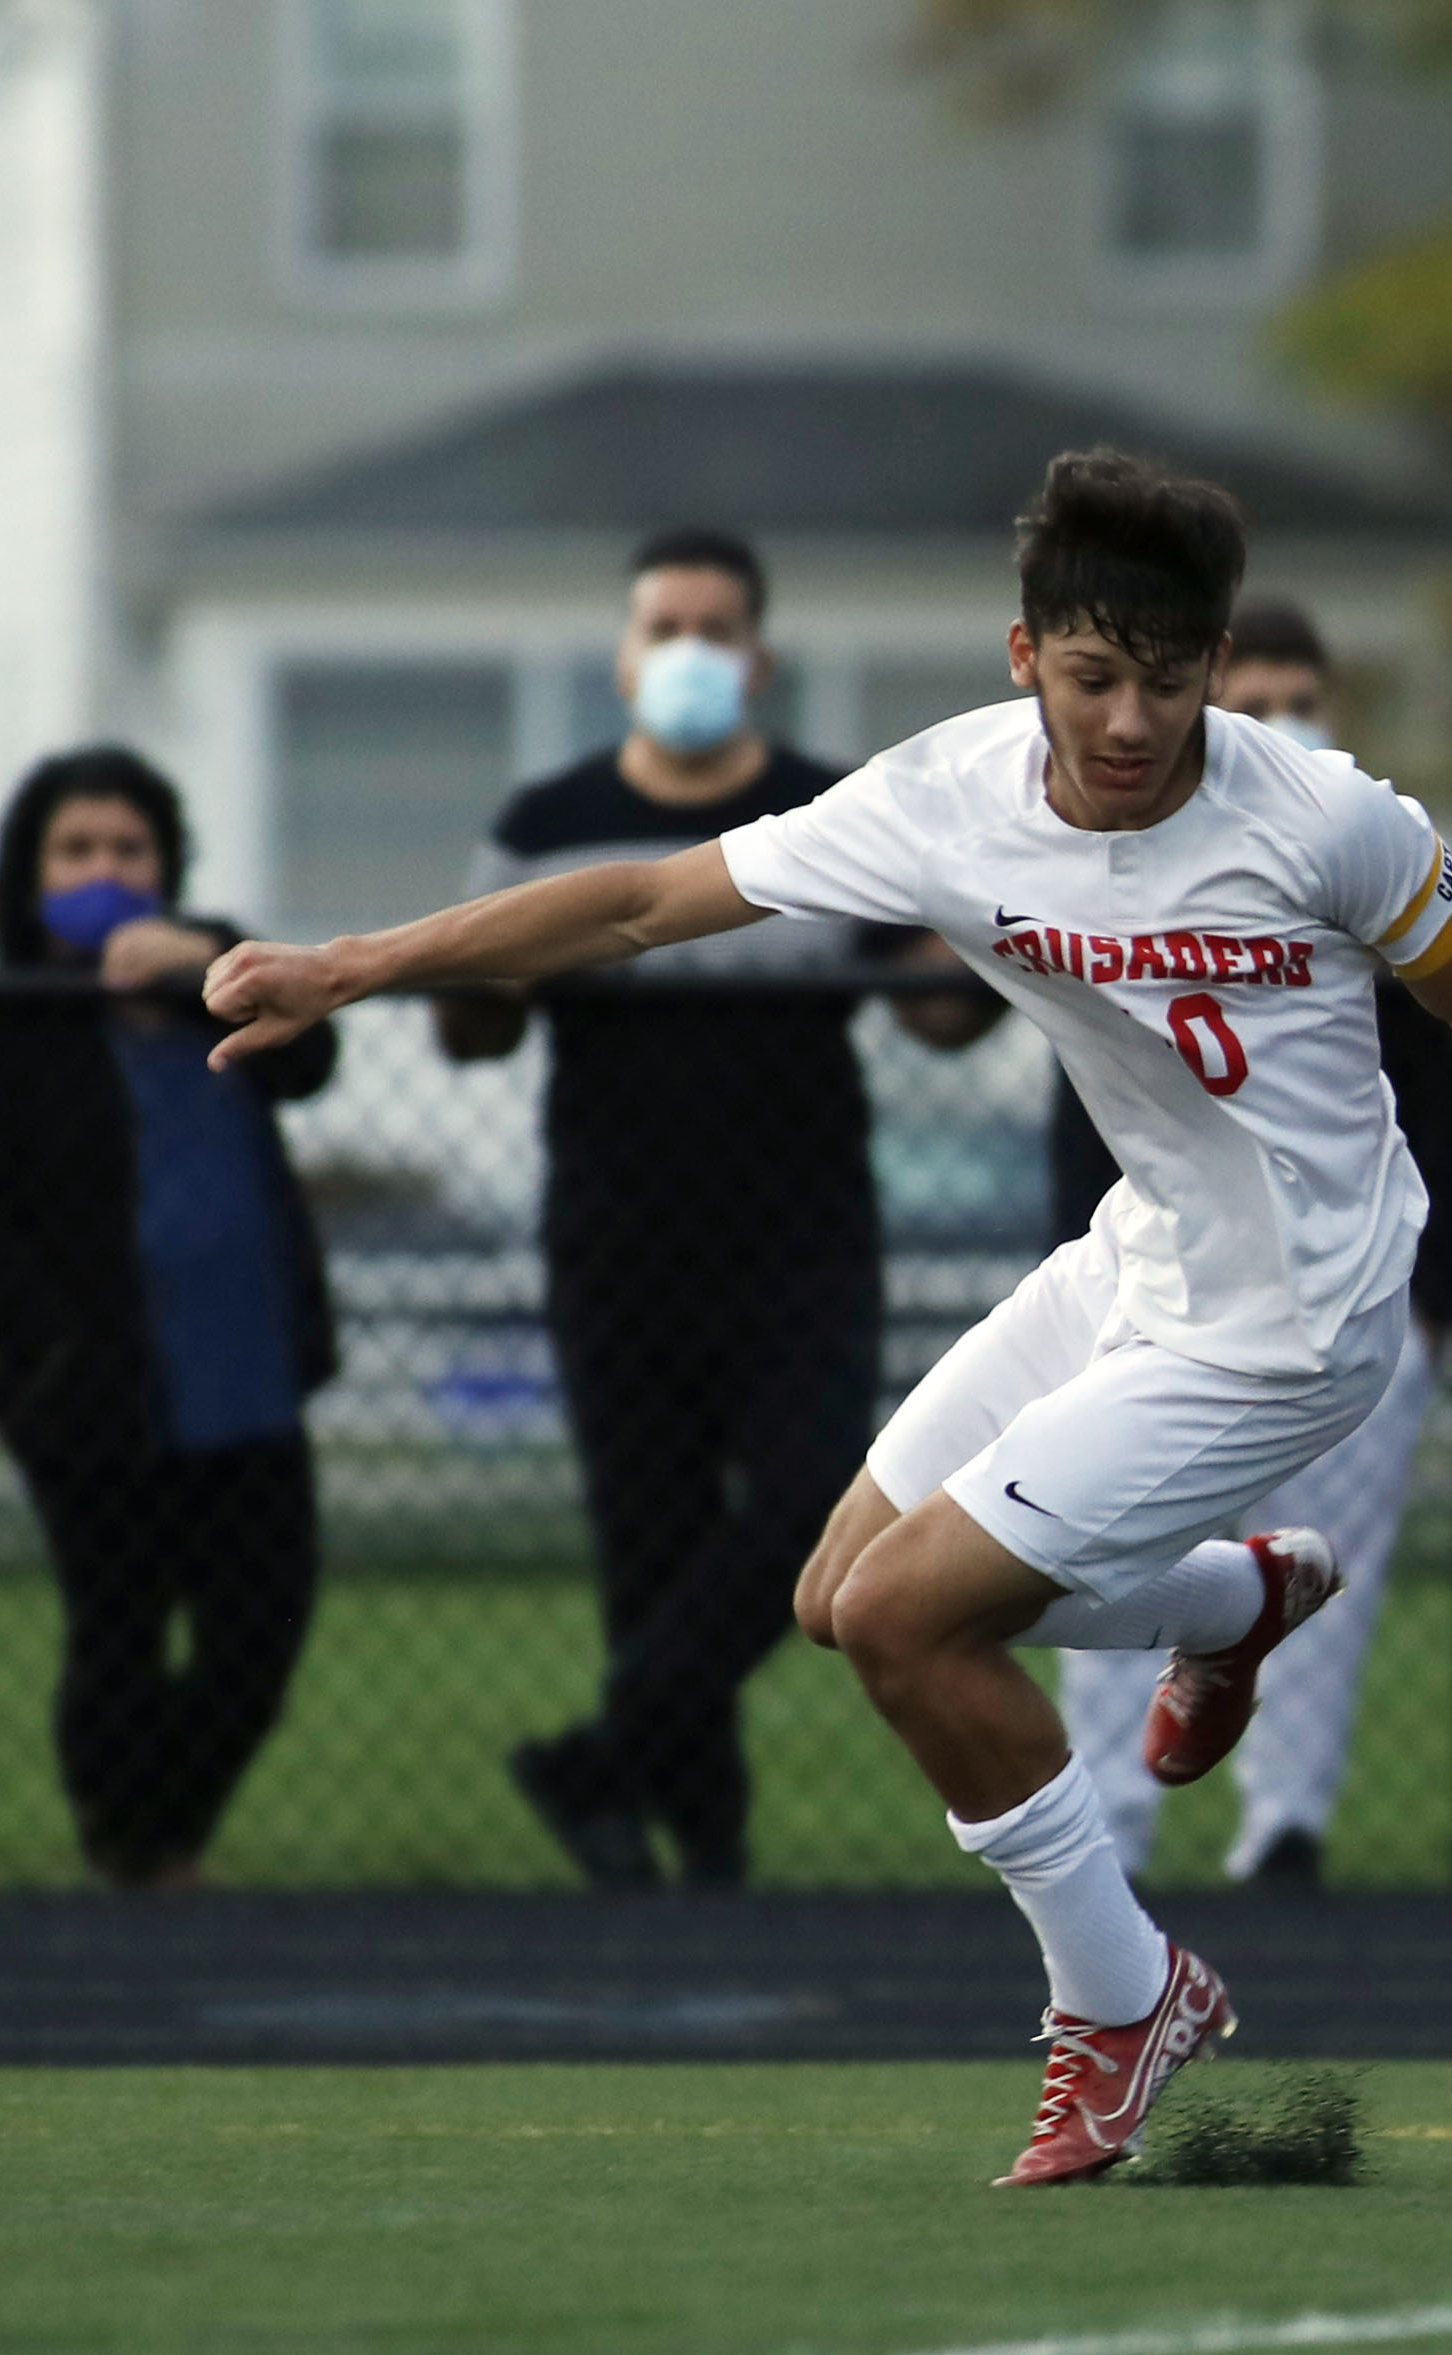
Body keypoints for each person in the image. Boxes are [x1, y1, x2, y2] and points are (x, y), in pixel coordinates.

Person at [203, 449, 1452, 2185]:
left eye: (1171, 678)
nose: (1132, 721)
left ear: (1214, 664)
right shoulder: (945, 796)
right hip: (1136, 1258)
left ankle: (1126, 2003)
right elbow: (641, 900)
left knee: (911, 1622)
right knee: (836, 1598)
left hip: (1301, 1320)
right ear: (1022, 653)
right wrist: (350, 965)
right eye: (1093, 675)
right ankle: (1232, 1600)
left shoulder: (1326, 816)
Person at [443, 528, 991, 1892]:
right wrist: (481, 976)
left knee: (817, 1496)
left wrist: (973, 940)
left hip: (803, 1237)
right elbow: (470, 1035)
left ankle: (594, 1758)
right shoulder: (543, 825)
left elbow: (935, 1014)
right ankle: (697, 1847)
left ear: (759, 656)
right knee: (650, 1544)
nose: (688, 650)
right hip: (614, 1239)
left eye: (714, 627)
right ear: (625, 655)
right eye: (664, 625)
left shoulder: (834, 808)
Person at [1052, 597, 1452, 1885]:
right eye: (1258, 698)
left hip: (1348, 1297)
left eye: (1303, 698)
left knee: (1324, 1571)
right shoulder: (1118, 861)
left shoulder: (1370, 851)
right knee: (1102, 1540)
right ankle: (1107, 1820)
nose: (1282, 723)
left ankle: (1287, 1823)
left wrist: (1441, 1290)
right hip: (1168, 1292)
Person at [0, 749, 335, 1888]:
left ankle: (165, 1834)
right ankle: (128, 1852)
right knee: (117, 1621)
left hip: (245, 1364)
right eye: (75, 852)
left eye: (127, 850)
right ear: (29, 878)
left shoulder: (218, 982)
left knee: (259, 1626)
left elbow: (310, 1062)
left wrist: (199, 962)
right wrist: (41, 1351)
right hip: (86, 1381)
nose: (104, 871)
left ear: (165, 865)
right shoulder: (4, 1020)